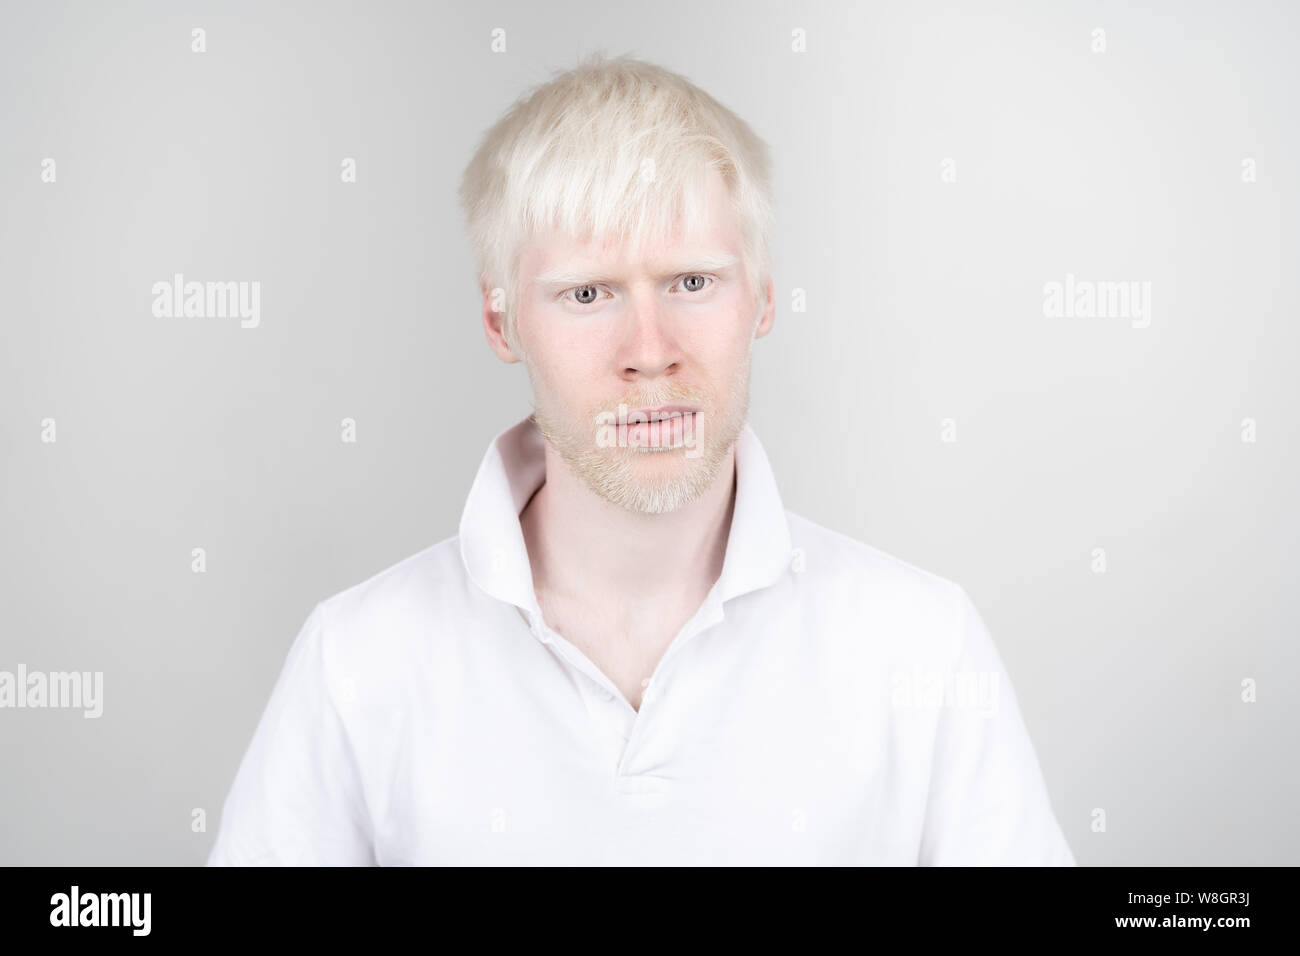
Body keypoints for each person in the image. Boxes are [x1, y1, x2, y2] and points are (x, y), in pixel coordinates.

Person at [207, 52, 1075, 866]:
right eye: (588, 294)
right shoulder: (358, 659)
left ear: (763, 298)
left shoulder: (923, 645)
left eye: (692, 283)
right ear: (501, 323)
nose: (650, 351)